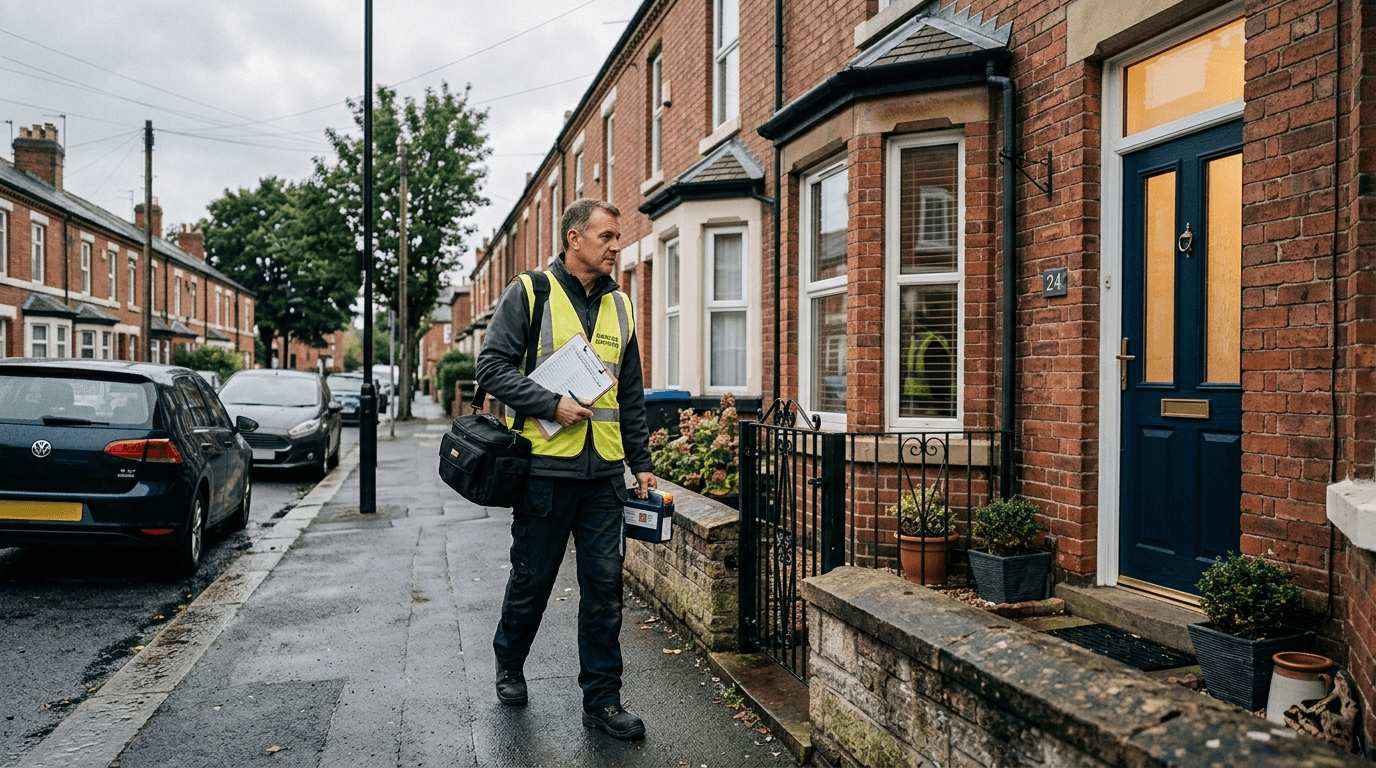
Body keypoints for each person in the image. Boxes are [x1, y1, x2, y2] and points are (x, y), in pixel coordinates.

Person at [475, 197, 656, 741]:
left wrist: (642, 463)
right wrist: (548, 404)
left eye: (619, 237)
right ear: (574, 238)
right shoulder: (529, 293)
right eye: (606, 237)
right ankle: (509, 659)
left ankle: (602, 700)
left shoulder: (621, 307)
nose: (616, 246)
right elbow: (490, 367)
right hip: (544, 474)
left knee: (605, 589)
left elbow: (630, 392)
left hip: (603, 476)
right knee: (533, 580)